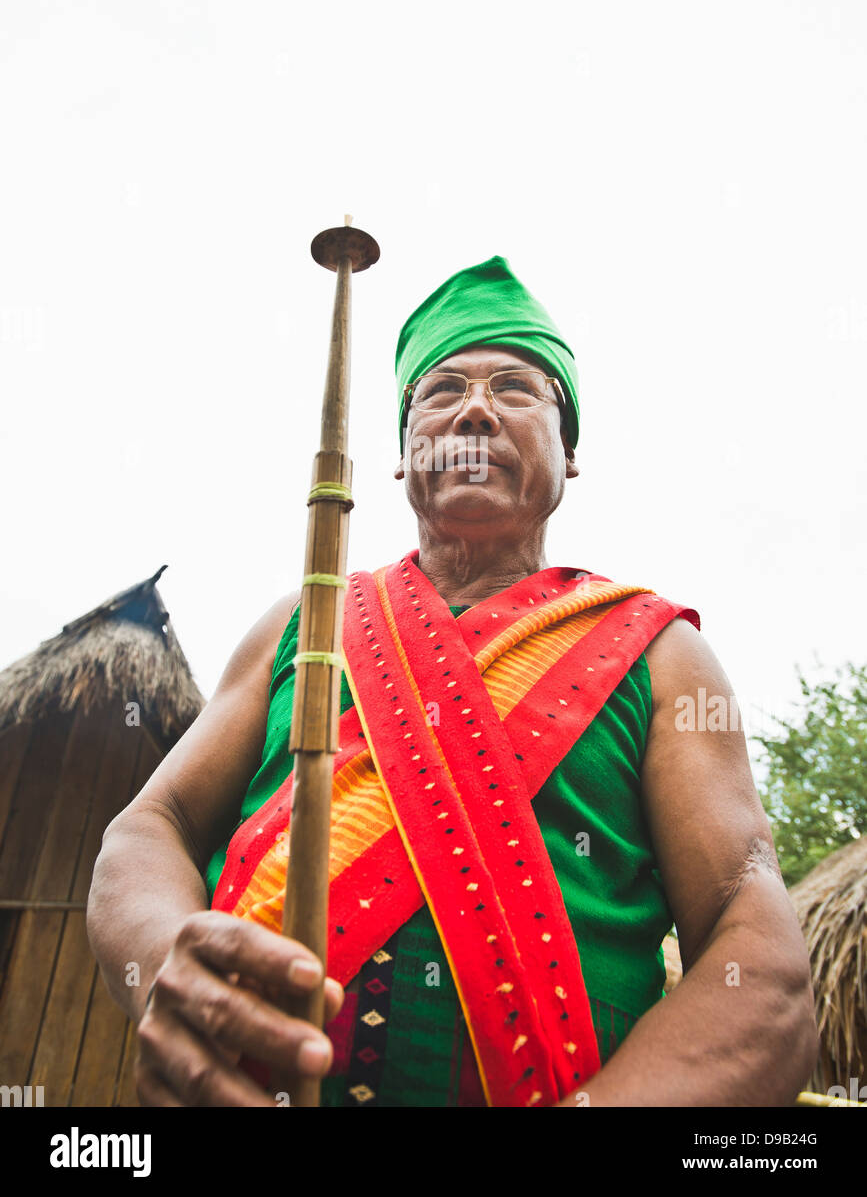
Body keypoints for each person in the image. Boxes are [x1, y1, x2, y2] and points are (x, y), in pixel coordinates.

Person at [87, 255, 818, 1107]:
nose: (475, 406)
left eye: (515, 388)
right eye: (440, 391)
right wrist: (169, 960)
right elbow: (146, 832)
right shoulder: (303, 622)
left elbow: (756, 955)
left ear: (568, 452)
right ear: (402, 456)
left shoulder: (659, 652)